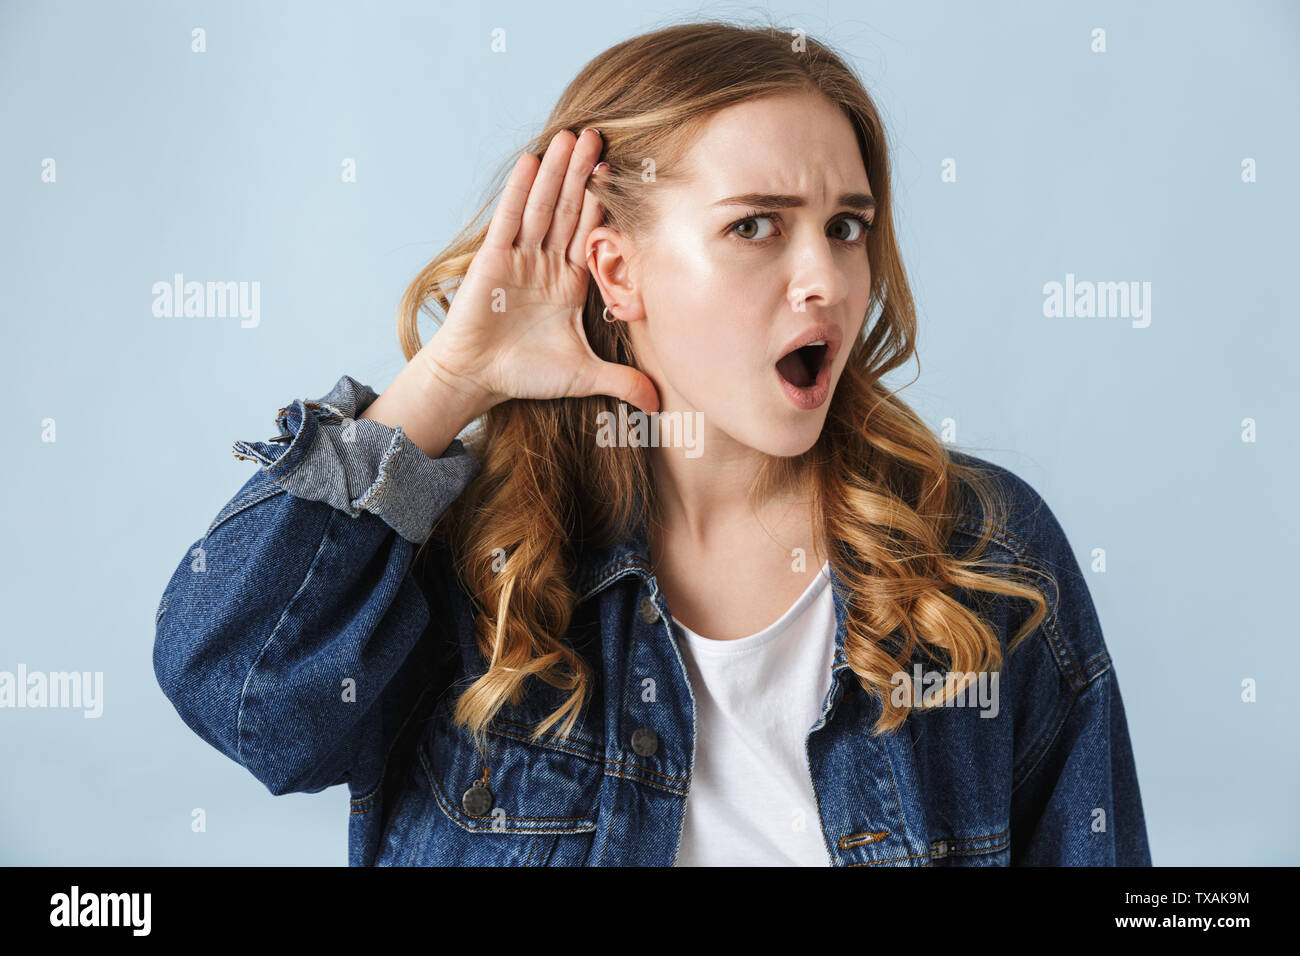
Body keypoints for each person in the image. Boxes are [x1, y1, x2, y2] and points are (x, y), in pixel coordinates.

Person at [153, 20, 1152, 866]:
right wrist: (445, 384)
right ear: (616, 272)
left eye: (846, 228)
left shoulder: (980, 548)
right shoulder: (472, 557)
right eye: (757, 225)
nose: (826, 282)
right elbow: (240, 691)